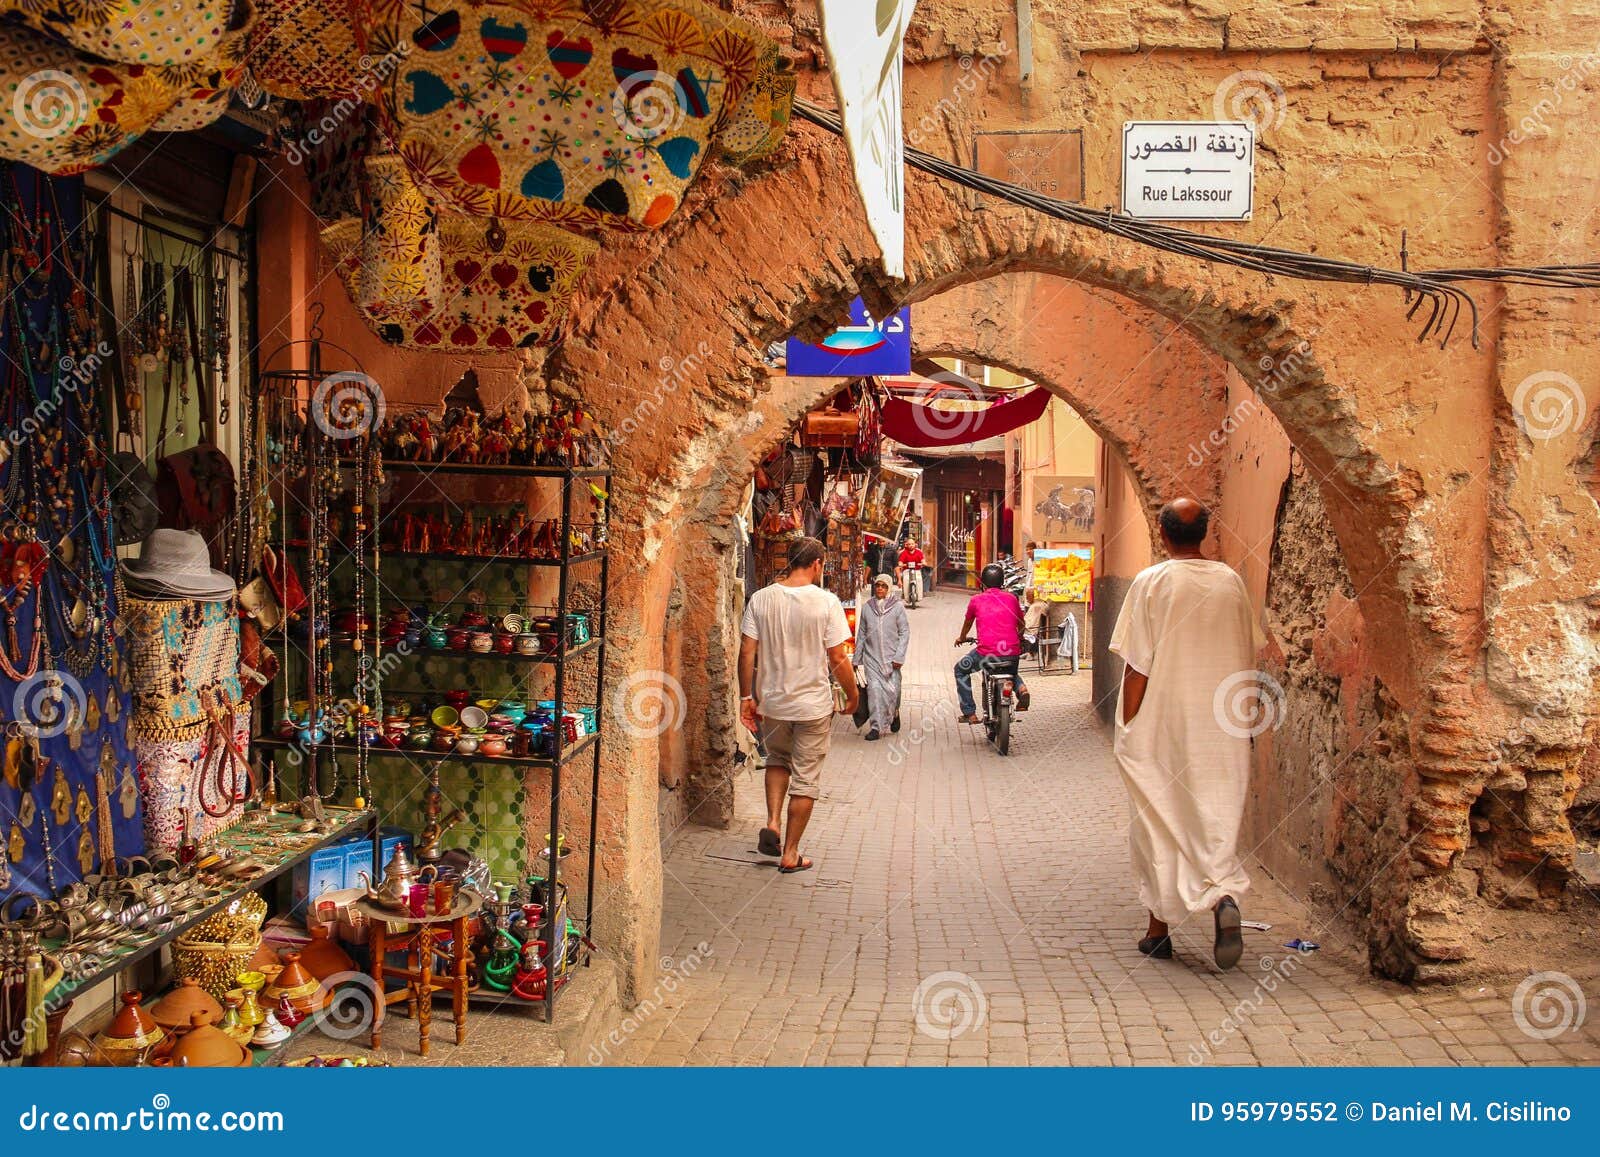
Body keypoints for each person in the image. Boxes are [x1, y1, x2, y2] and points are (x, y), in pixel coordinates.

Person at [1109, 498, 1262, 971]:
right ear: (1206, 534)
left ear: (1161, 531)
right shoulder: (1231, 583)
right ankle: (1221, 898)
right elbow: (1249, 650)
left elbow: (1138, 664)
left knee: (1159, 817)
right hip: (1223, 725)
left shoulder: (1151, 583)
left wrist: (1129, 725)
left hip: (1163, 723)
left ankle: (1158, 932)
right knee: (1213, 815)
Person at [739, 536, 859, 875]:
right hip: (812, 708)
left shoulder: (761, 599)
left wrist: (746, 697)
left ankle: (773, 823)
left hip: (773, 703)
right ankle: (790, 853)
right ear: (817, 564)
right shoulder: (826, 602)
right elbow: (837, 656)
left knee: (778, 759)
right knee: (805, 780)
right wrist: (853, 695)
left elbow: (747, 650)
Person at [952, 562, 1030, 723]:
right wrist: (1019, 637)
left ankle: (970, 713)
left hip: (985, 653)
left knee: (960, 670)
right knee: (1011, 671)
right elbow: (1021, 624)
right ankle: (1022, 690)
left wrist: (962, 637)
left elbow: (968, 623)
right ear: (1002, 582)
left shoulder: (976, 600)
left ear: (983, 582)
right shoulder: (1012, 598)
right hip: (1011, 651)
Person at [854, 574, 909, 741]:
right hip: (872, 659)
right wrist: (856, 659)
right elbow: (862, 634)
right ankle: (876, 727)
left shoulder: (897, 607)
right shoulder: (867, 607)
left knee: (894, 691)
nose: (880, 589)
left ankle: (895, 712)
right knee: (874, 692)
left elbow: (904, 632)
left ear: (889, 588)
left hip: (892, 660)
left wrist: (899, 657)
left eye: (884, 586)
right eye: (877, 585)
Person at [896, 538, 925, 605]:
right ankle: (906, 597)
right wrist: (901, 564)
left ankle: (920, 595)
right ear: (906, 545)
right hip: (907, 570)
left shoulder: (919, 552)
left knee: (919, 579)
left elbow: (923, 560)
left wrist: (923, 563)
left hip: (917, 569)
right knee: (906, 579)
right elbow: (900, 561)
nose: (911, 545)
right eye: (909, 544)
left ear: (915, 544)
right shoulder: (904, 553)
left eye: (912, 544)